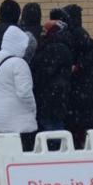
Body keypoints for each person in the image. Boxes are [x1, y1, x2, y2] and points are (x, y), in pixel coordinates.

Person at [0, 24, 38, 151]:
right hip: (18, 122)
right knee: (23, 159)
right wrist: (33, 109)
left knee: (6, 156)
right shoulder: (19, 63)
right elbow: (25, 93)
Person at [32, 9, 75, 138]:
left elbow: (45, 71)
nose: (42, 34)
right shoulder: (65, 47)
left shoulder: (50, 48)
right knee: (57, 123)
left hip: (49, 94)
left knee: (49, 125)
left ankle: (53, 150)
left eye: (45, 31)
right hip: (60, 94)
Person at [62, 4, 93, 144]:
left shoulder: (72, 35)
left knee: (75, 125)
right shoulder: (84, 36)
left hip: (76, 89)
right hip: (85, 88)